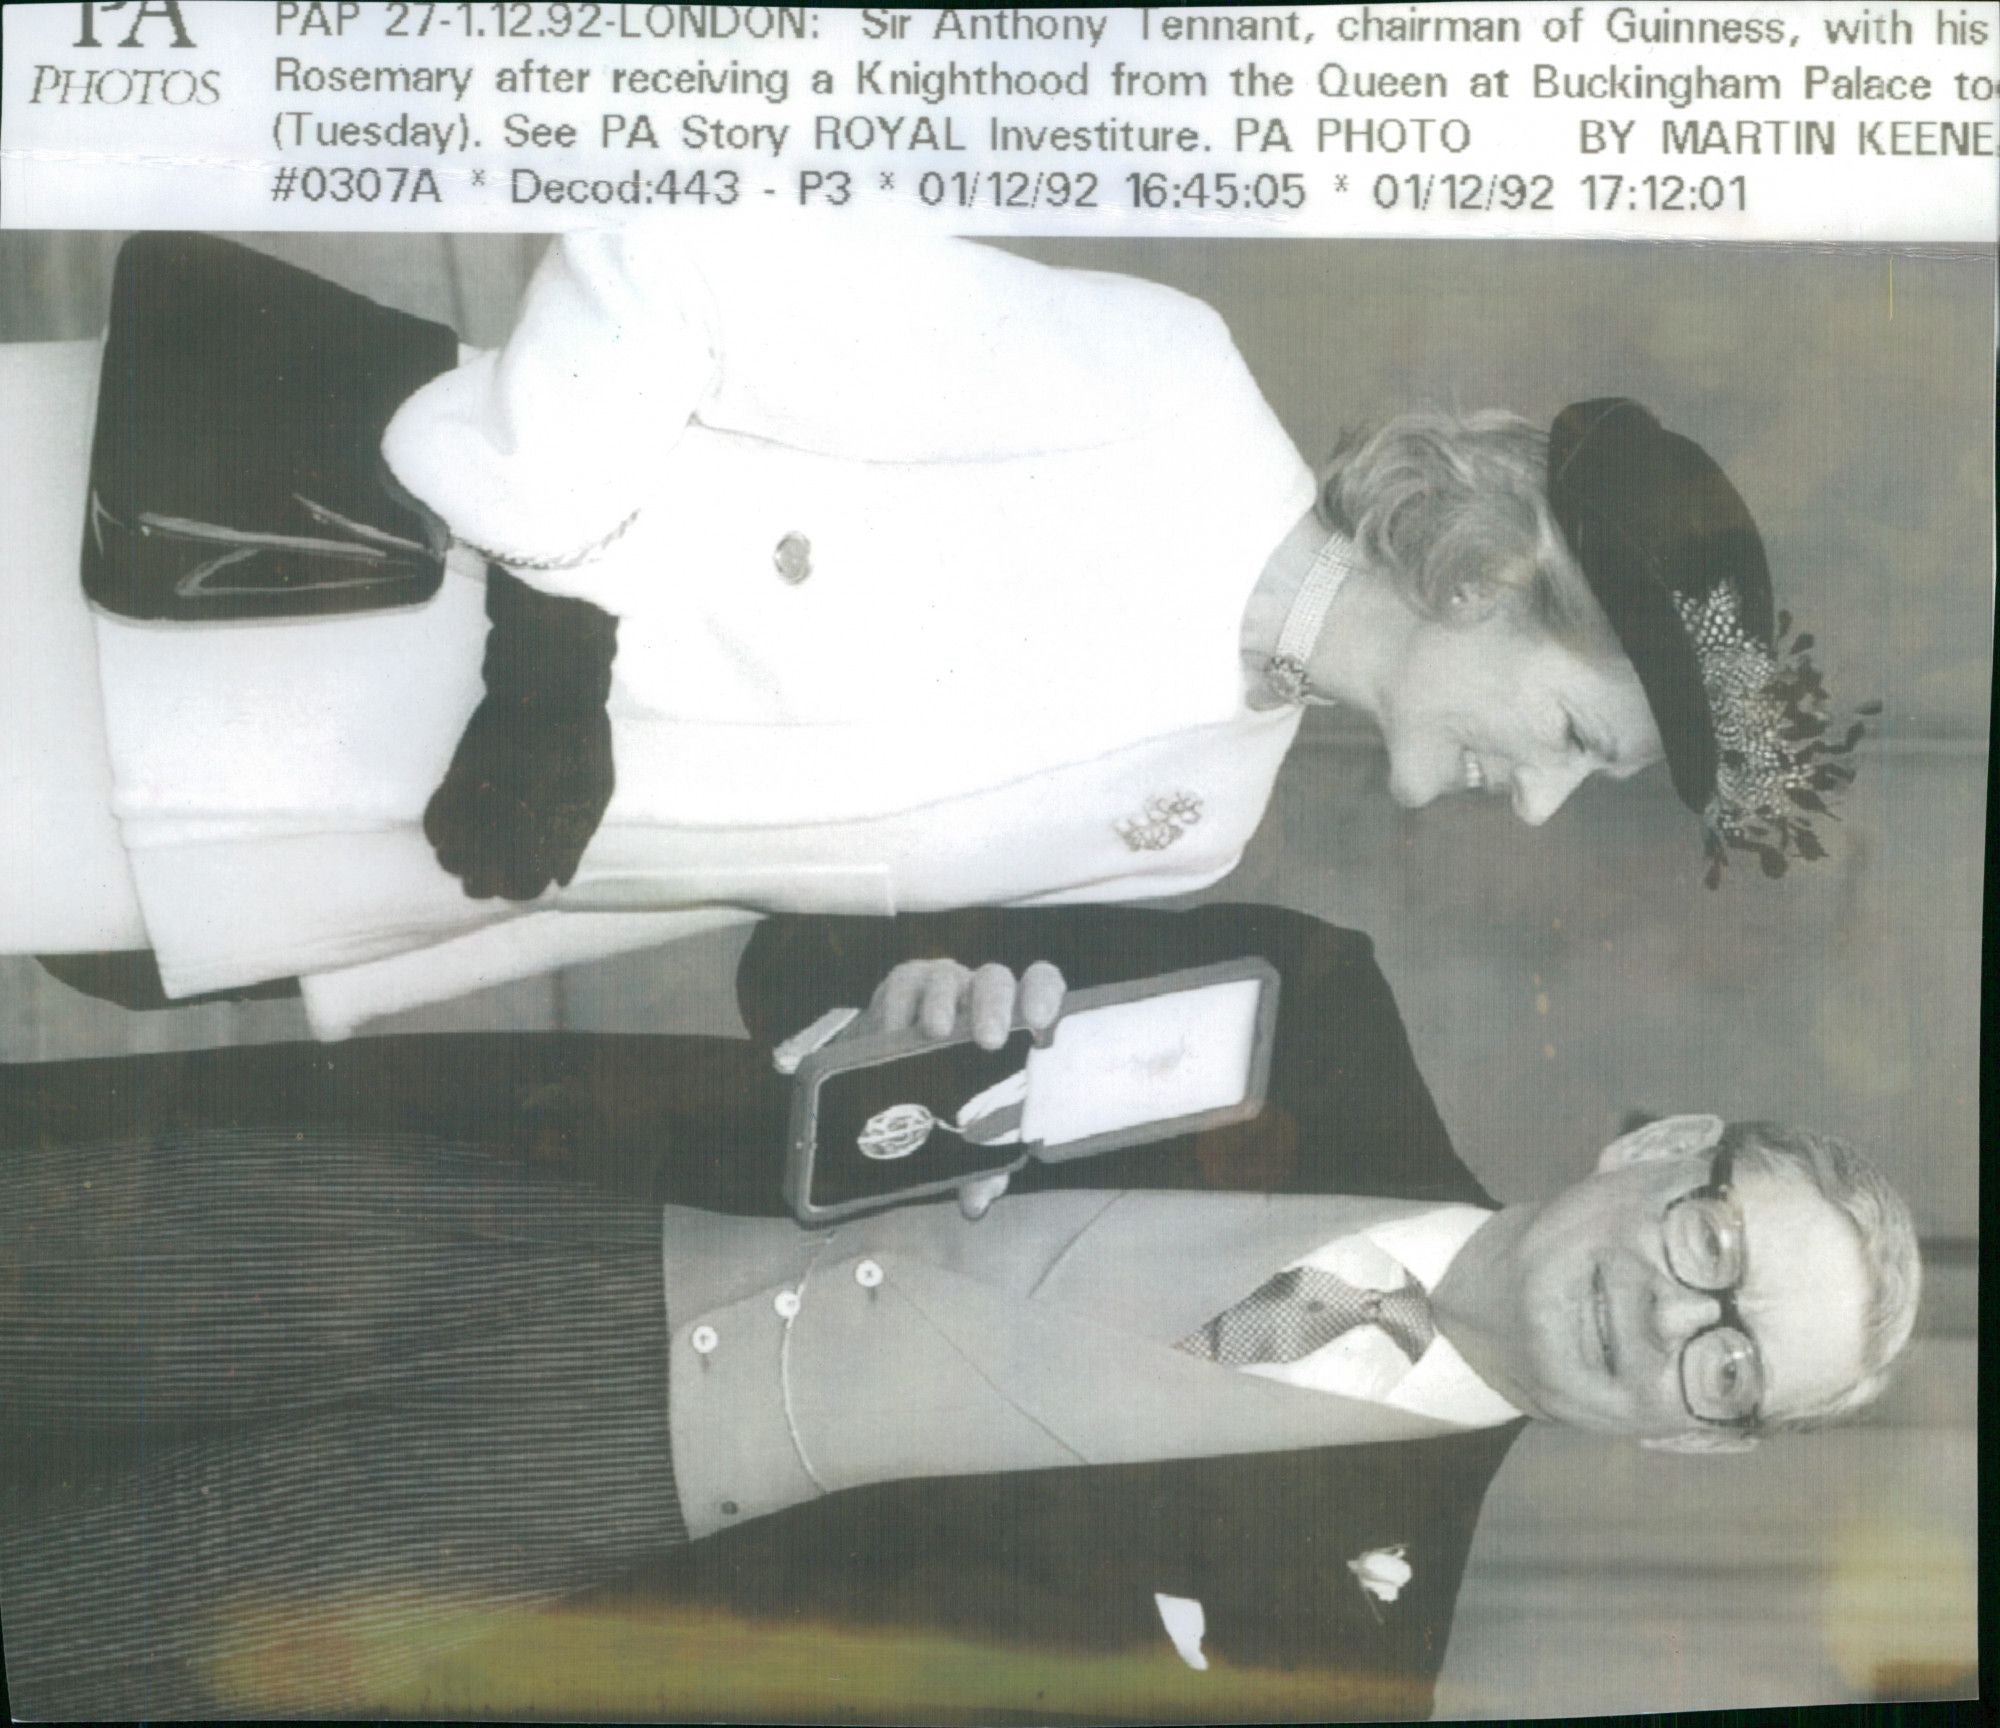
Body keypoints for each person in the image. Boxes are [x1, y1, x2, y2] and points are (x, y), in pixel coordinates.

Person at [0, 905, 1922, 1720]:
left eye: (1731, 1370)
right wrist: (885, 1009)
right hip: (474, 1206)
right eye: (1711, 1249)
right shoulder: (1306, 1004)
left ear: (1690, 1438)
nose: (1675, 1326)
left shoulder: (1343, 1670)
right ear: (1665, 1144)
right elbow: (814, 941)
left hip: (534, 1556)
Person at [9, 230, 1868, 1035]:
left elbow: (749, 906)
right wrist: (552, 645)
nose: (1534, 808)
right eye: (1574, 742)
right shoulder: (1164, 391)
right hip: (215, 583)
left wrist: (334, 961)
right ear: (1495, 580)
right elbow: (689, 234)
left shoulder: (1201, 821)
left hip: (249, 861)